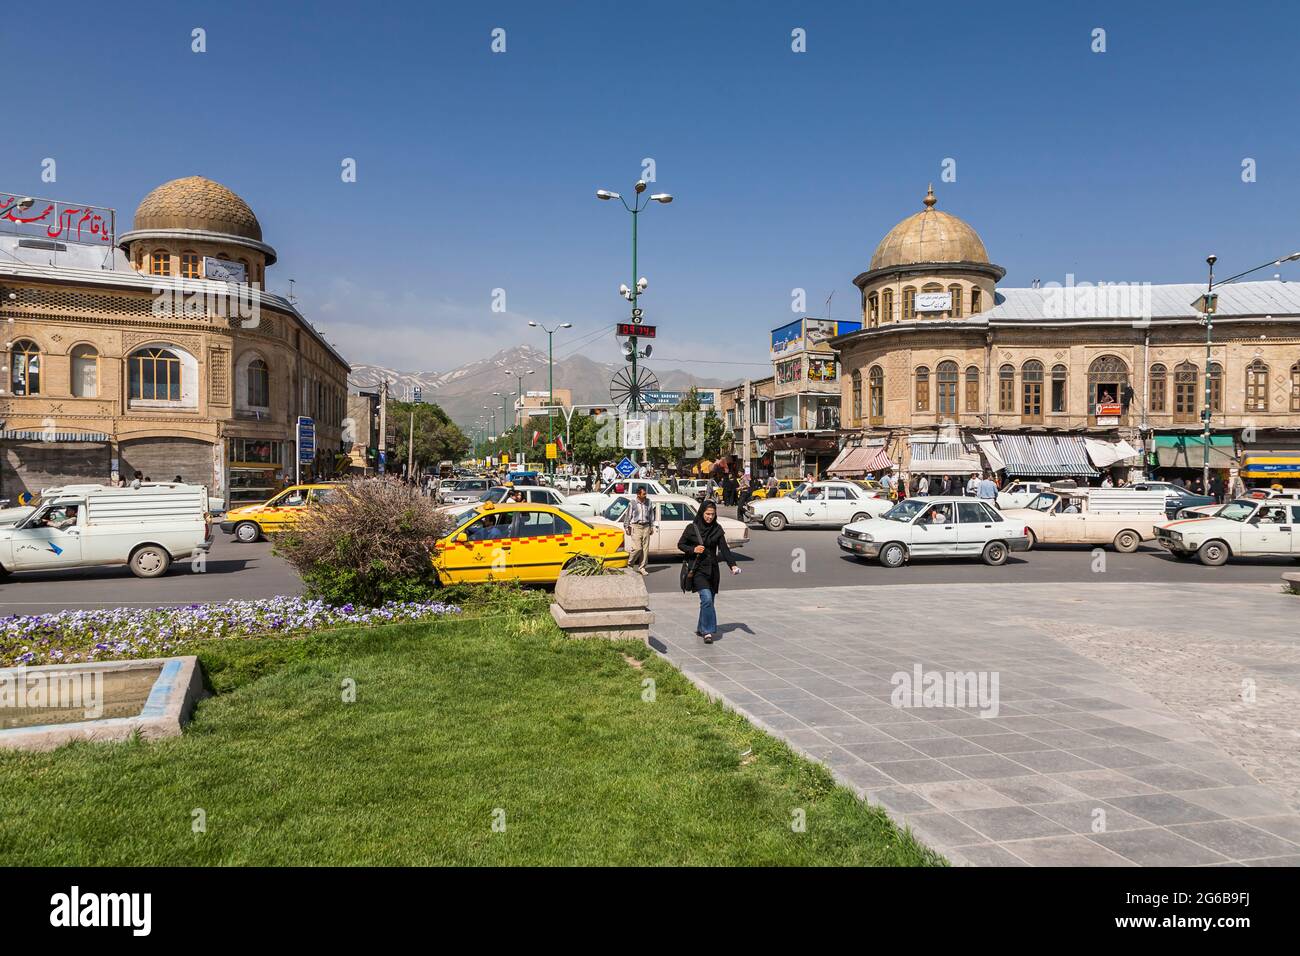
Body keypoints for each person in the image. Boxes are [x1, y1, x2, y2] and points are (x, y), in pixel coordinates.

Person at [677, 499, 739, 644]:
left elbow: (724, 548)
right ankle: (708, 632)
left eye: (712, 514)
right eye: (707, 514)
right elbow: (681, 544)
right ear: (701, 513)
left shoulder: (717, 529)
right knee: (706, 598)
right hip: (697, 569)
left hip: (712, 570)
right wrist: (693, 549)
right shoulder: (692, 528)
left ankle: (701, 627)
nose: (710, 517)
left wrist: (733, 565)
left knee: (708, 602)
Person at [622, 486, 657, 575]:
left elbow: (651, 515)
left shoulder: (648, 502)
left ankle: (642, 567)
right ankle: (630, 563)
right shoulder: (632, 503)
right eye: (643, 494)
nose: (645, 495)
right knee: (638, 548)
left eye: (645, 493)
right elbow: (628, 516)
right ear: (638, 494)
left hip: (646, 526)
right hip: (636, 526)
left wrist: (651, 526)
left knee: (645, 549)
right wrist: (626, 527)